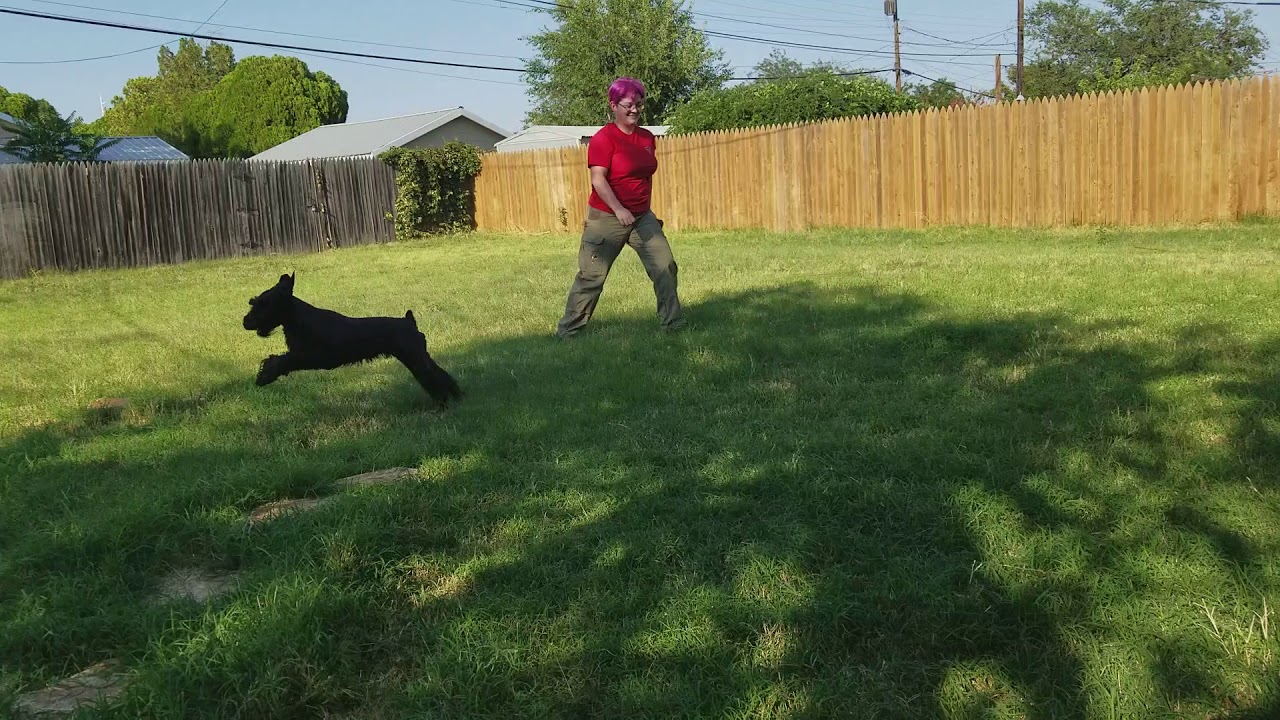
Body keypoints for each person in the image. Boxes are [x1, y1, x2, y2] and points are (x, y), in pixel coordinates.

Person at [555, 77, 686, 338]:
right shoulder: (604, 139)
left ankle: (673, 326)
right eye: (628, 105)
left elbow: (643, 176)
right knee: (592, 277)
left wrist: (645, 211)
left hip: (641, 218)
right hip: (606, 217)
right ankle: (568, 333)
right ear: (614, 105)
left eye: (639, 104)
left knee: (665, 265)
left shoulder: (647, 138)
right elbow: (598, 179)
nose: (635, 110)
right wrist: (619, 209)